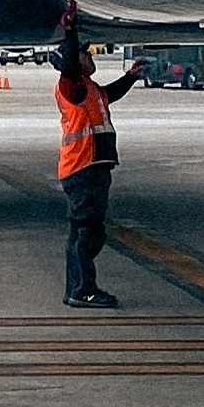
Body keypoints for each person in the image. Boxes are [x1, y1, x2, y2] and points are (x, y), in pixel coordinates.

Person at [56, 25, 145, 309]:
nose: (91, 56)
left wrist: (130, 77)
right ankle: (84, 290)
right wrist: (70, 33)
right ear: (74, 60)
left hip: (89, 168)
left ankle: (75, 289)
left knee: (80, 233)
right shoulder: (72, 85)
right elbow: (68, 62)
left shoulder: (90, 89)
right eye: (86, 53)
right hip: (84, 169)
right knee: (88, 234)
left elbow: (111, 93)